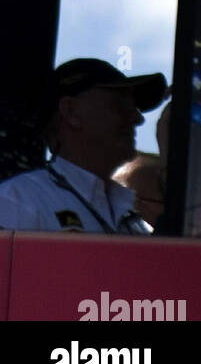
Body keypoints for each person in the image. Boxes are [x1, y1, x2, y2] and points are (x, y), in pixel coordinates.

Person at [0, 59, 168, 234]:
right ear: (71, 111)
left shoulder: (130, 217)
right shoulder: (18, 201)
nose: (138, 118)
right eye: (120, 104)